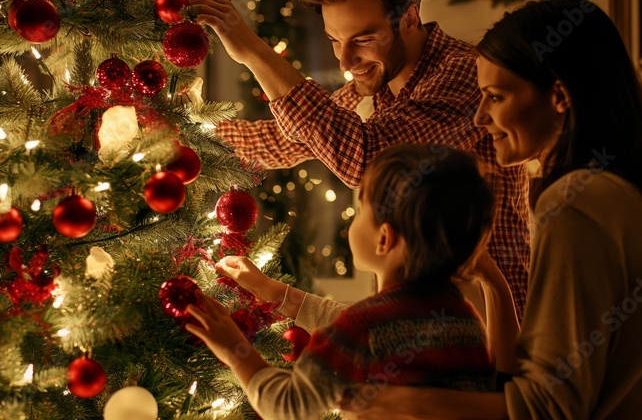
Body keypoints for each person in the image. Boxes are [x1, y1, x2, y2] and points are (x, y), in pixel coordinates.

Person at [336, 0, 642, 419]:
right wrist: (492, 282)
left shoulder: (575, 204)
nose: (479, 117)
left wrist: (393, 402)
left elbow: (548, 408)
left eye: (495, 96)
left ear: (559, 95)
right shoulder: (627, 189)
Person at [187, 0, 531, 319]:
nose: (346, 61)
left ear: (410, 17)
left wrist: (253, 51)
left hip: (495, 338)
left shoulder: (462, 75)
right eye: (335, 40)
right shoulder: (377, 84)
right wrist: (192, 135)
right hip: (424, 326)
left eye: (363, 39)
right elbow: (287, 142)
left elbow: (364, 160)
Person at [185, 144, 517, 420]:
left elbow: (288, 405)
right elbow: (363, 324)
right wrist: (275, 292)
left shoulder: (363, 327)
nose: (354, 218)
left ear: (384, 239)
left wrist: (236, 351)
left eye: (360, 209)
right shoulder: (463, 318)